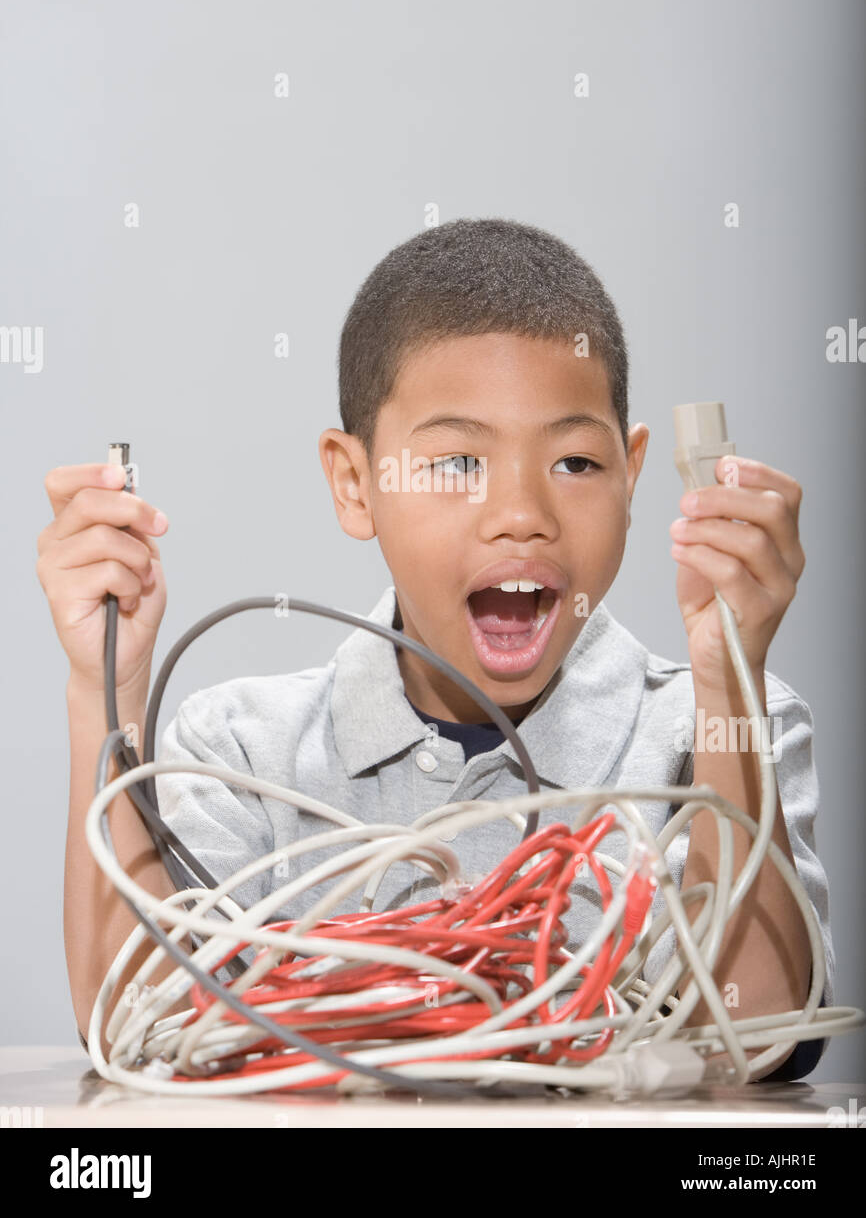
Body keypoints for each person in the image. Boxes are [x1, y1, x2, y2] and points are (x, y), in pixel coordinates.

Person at [37, 217, 833, 1079]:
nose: (521, 514)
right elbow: (139, 1026)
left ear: (632, 476)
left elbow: (759, 1031)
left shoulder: (710, 732)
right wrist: (104, 690)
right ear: (355, 483)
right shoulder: (242, 751)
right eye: (457, 463)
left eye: (575, 463)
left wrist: (728, 680)